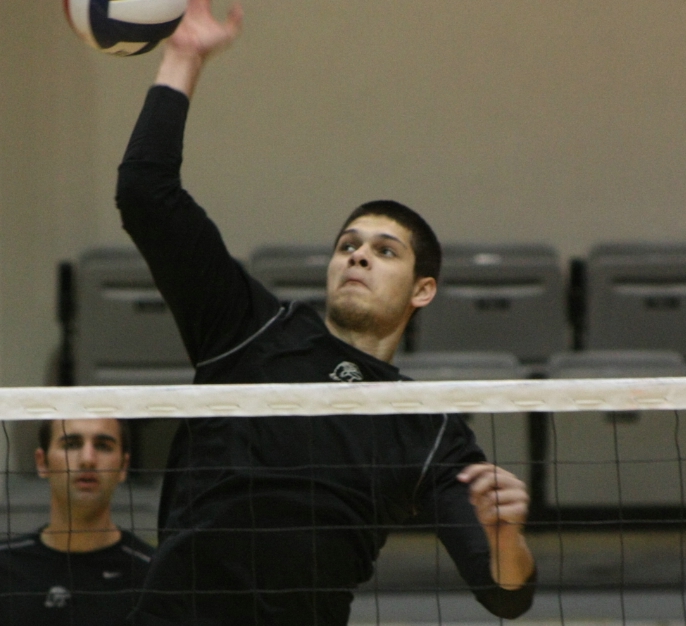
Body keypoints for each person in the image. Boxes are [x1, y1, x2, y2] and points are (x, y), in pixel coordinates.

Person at [115, 1, 536, 624]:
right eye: (348, 245)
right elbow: (145, 195)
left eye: (384, 251)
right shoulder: (250, 330)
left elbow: (506, 595)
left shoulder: (426, 428)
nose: (358, 255)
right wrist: (183, 56)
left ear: (422, 290)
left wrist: (505, 538)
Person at [0, 418, 154, 626]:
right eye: (71, 445)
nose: (88, 459)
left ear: (123, 466)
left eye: (103, 446)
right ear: (42, 462)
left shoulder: (153, 573)